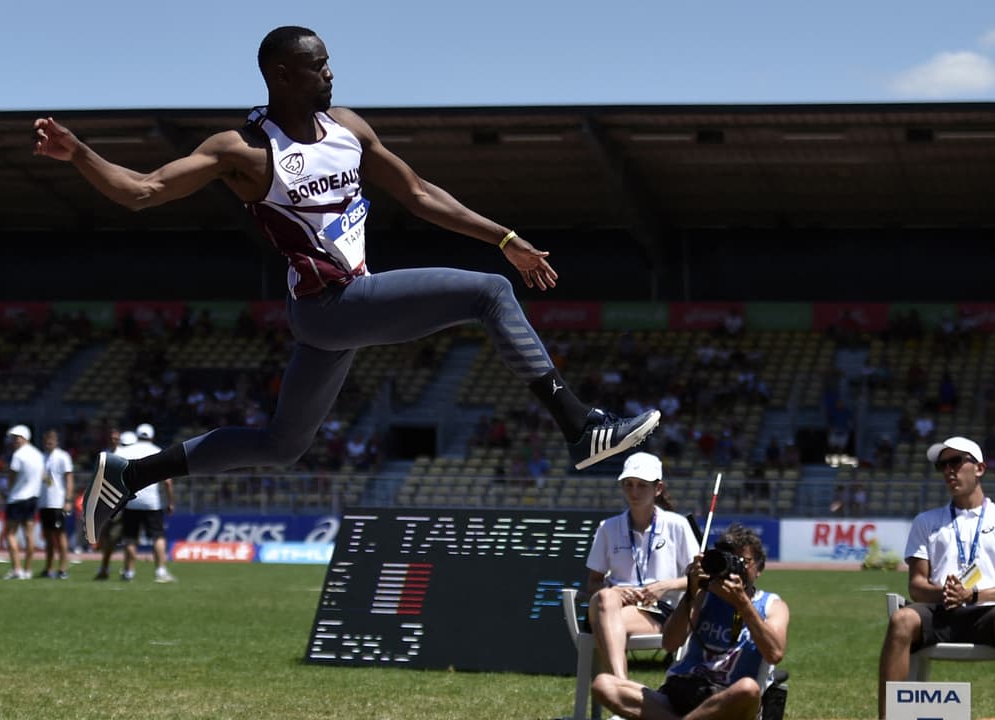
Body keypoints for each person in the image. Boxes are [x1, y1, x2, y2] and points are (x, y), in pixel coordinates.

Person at [33, 25, 661, 546]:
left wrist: (503, 237)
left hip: (341, 310)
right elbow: (142, 192)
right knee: (489, 293)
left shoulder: (349, 130)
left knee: (283, 445)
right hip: (327, 305)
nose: (331, 73)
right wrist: (82, 154)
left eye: (330, 63)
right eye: (318, 66)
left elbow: (417, 192)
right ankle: (582, 427)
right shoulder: (246, 151)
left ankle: (133, 471)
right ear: (281, 74)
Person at [877, 436, 995, 720]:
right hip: (937, 611)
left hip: (987, 613)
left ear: (980, 468)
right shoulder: (926, 521)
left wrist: (971, 596)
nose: (949, 470)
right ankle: (890, 718)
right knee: (901, 619)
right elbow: (916, 585)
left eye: (956, 462)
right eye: (943, 465)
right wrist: (946, 595)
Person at [592, 524, 789, 720]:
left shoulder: (771, 604)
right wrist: (691, 592)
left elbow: (775, 653)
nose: (736, 567)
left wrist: (743, 604)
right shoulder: (704, 596)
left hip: (728, 702)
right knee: (604, 684)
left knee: (748, 689)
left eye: (743, 561)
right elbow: (670, 643)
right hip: (681, 693)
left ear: (759, 567)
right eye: (729, 560)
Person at [584, 452, 698, 681]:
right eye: (628, 485)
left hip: (659, 610)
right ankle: (623, 690)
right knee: (606, 598)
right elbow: (593, 582)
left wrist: (664, 586)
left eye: (642, 486)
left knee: (606, 619)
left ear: (658, 488)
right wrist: (613, 591)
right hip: (612, 605)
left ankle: (619, 691)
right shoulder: (608, 527)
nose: (634, 492)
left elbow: (699, 578)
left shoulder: (677, 525)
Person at [116, 423, 177, 583]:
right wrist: (170, 501)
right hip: (152, 503)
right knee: (158, 537)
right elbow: (168, 482)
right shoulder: (158, 451)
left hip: (131, 501)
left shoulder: (126, 451)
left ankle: (129, 573)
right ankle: (160, 572)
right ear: (152, 436)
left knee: (130, 538)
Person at [1, 425, 44, 581]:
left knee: (10, 534)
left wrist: (8, 490)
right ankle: (27, 570)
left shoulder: (18, 455)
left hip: (17, 498)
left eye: (16, 437)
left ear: (24, 438)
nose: (13, 441)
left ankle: (17, 569)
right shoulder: (38, 454)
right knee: (28, 535)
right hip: (32, 498)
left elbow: (11, 478)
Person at [94, 430, 135, 581]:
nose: (114, 441)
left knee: (126, 537)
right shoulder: (104, 455)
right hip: (108, 501)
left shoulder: (125, 455)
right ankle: (104, 568)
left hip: (124, 502)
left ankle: (127, 570)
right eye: (111, 438)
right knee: (108, 539)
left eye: (116, 438)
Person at [37, 429, 75, 579]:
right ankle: (49, 568)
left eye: (52, 440)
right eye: (47, 440)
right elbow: (48, 481)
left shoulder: (63, 456)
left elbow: (69, 479)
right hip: (44, 502)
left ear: (57, 441)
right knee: (48, 537)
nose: (49, 443)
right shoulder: (41, 457)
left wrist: (68, 500)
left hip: (58, 503)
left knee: (60, 536)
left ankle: (63, 569)